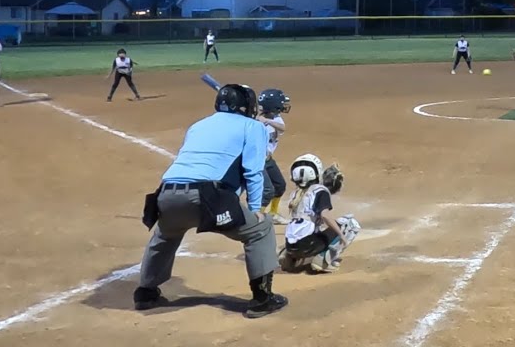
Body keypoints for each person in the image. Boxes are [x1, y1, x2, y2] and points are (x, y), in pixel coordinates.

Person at [134, 83, 287, 318]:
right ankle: (262, 298)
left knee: (165, 236)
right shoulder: (253, 127)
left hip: (165, 195)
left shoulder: (197, 126)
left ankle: (145, 292)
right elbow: (253, 172)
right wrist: (256, 208)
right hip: (207, 197)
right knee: (260, 229)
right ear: (247, 107)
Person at [278, 154, 361, 274]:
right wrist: (341, 235)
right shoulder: (320, 191)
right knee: (349, 224)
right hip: (308, 246)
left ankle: (289, 257)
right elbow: (325, 215)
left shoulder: (295, 194)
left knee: (303, 231)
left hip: (291, 247)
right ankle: (322, 260)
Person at [257, 89, 291, 225]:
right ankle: (256, 219)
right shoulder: (256, 124)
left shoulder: (275, 119)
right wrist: (258, 122)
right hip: (258, 161)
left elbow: (282, 128)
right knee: (267, 190)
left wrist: (266, 121)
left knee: (279, 185)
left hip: (268, 160)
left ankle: (273, 213)